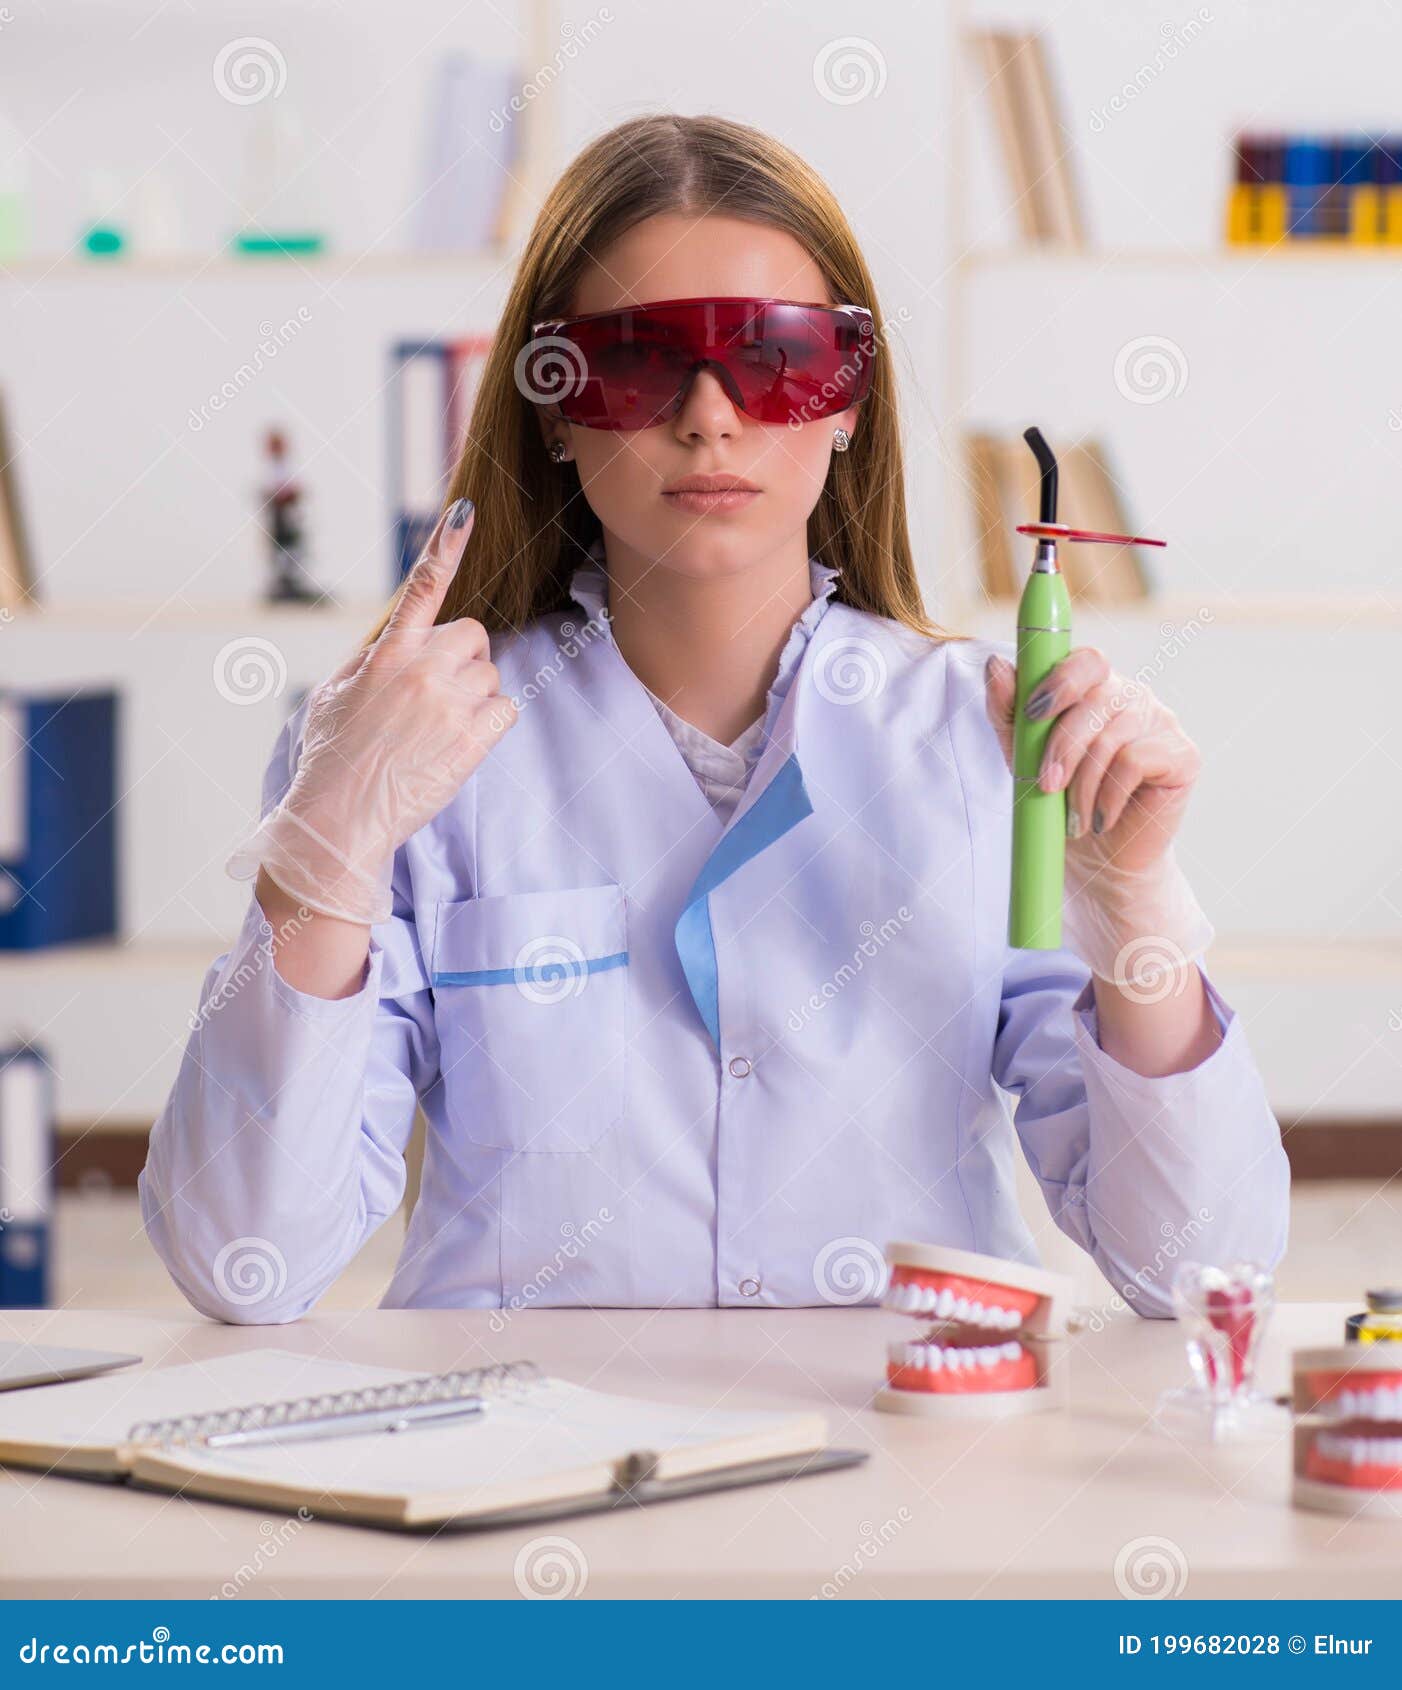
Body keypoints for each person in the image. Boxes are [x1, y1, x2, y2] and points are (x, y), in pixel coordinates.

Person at [139, 114, 1288, 1324]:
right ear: (552, 403)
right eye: (636, 362)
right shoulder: (404, 747)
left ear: (850, 401)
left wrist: (1136, 912)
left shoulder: (991, 741)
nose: (708, 415)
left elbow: (1202, 1274)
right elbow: (244, 1264)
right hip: (520, 1457)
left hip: (912, 1443)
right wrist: (323, 849)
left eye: (775, 357)